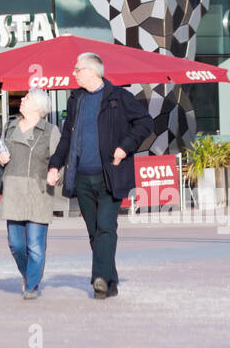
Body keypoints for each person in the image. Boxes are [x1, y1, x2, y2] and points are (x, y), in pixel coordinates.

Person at [47, 52, 154, 299]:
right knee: (95, 232)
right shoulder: (76, 100)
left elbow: (145, 122)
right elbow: (67, 138)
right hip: (82, 177)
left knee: (106, 226)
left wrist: (124, 147)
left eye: (77, 69)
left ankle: (98, 279)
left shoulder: (119, 97)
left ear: (92, 72)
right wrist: (55, 165)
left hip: (110, 175)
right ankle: (110, 279)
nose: (73, 73)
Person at [0, 89, 62, 299]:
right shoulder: (10, 126)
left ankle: (32, 285)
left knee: (35, 245)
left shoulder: (51, 131)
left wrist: (55, 173)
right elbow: (0, 155)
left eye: (27, 98)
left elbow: (59, 161)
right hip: (13, 190)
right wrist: (0, 159)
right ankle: (28, 274)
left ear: (38, 107)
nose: (22, 100)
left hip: (38, 192)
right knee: (16, 244)